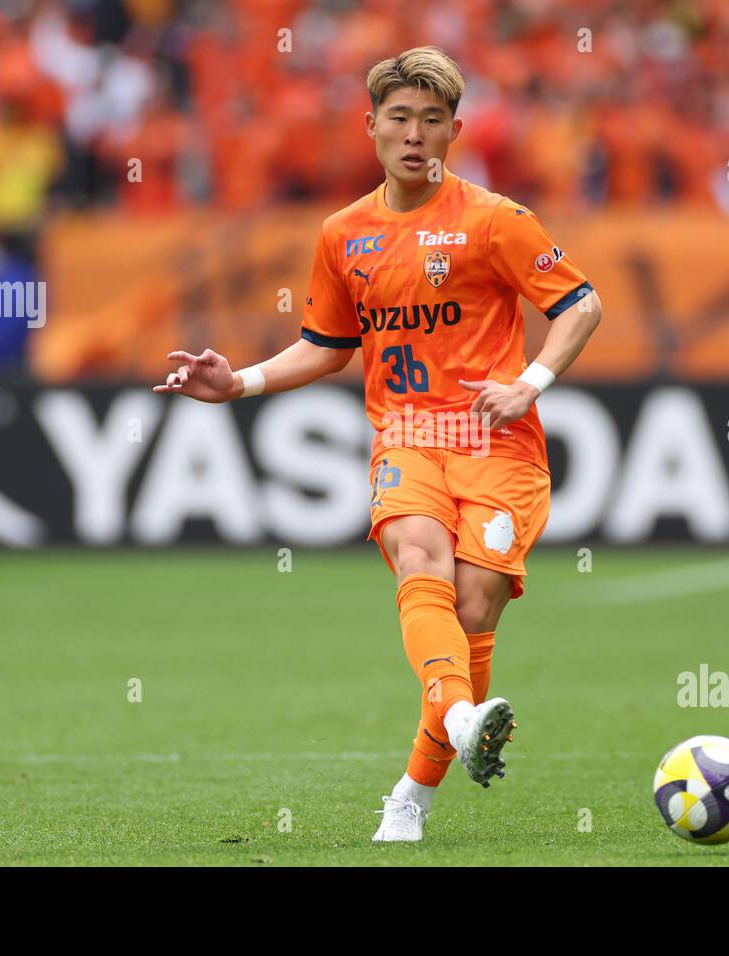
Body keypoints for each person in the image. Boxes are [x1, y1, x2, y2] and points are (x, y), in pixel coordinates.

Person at [155, 46, 601, 842]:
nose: (415, 135)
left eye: (433, 121)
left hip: (498, 441)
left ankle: (417, 786)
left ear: (456, 130)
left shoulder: (494, 219)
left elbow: (581, 304)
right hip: (406, 436)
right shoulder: (342, 233)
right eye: (400, 118)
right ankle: (456, 733)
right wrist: (241, 384)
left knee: (471, 610)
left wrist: (529, 382)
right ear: (371, 128)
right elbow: (329, 344)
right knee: (420, 557)